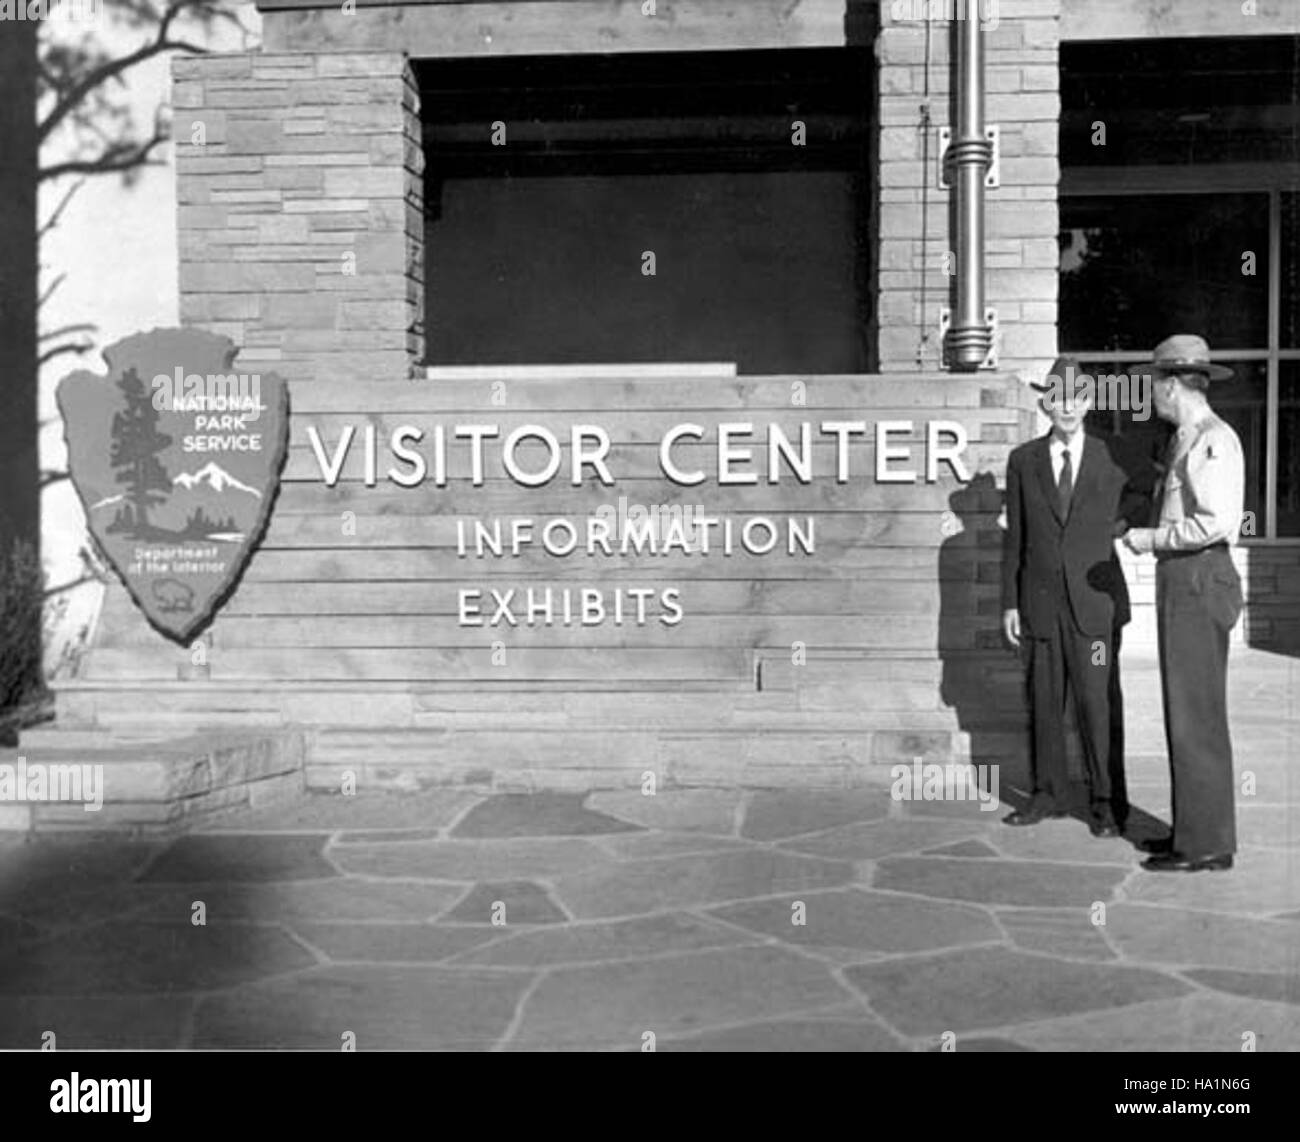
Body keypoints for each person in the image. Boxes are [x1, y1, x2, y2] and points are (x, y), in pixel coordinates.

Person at [1001, 356, 1146, 837]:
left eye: (1075, 399)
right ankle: (1046, 795)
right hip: (1040, 602)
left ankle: (1107, 803)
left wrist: (1122, 525)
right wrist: (1009, 603)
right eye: (1057, 399)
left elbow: (1149, 491)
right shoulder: (1024, 461)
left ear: (1087, 402)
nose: (1066, 407)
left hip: (1094, 605)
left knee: (1098, 704)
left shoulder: (1114, 454)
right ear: (1046, 403)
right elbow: (1015, 537)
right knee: (1043, 702)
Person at [1123, 334, 1245, 873]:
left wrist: (1150, 539)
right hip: (1187, 579)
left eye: (1153, 383)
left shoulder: (1211, 441)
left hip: (1198, 577)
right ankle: (1195, 831)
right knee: (1186, 709)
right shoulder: (1187, 438)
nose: (1150, 394)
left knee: (1196, 714)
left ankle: (1206, 845)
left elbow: (1214, 522)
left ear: (1171, 385)